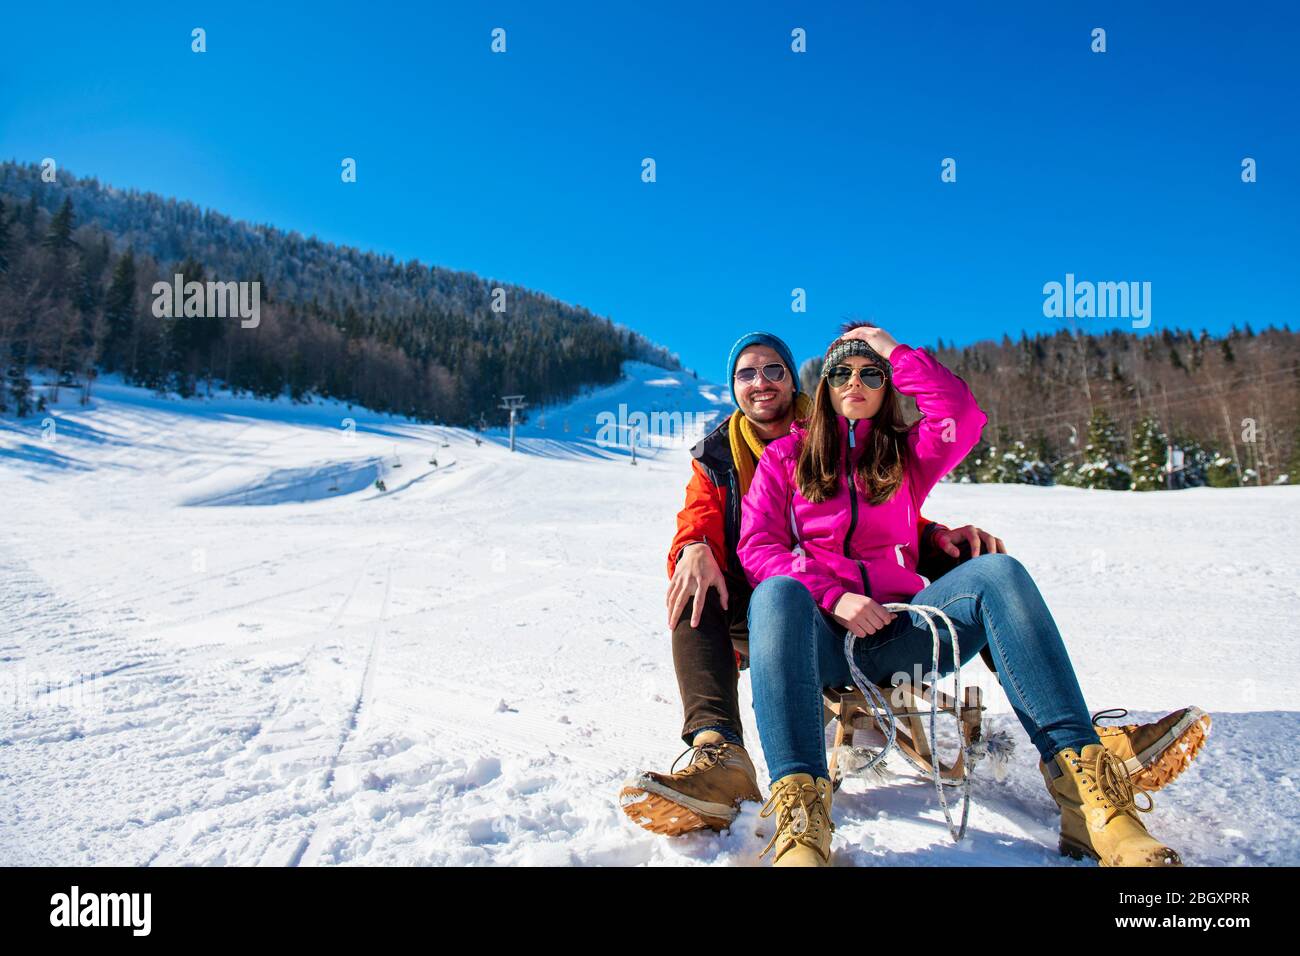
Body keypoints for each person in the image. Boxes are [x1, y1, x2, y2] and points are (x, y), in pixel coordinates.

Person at [619, 329, 1209, 843]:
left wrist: (937, 538)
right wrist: (695, 548)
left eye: (775, 368)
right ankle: (720, 756)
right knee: (697, 584)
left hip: (886, 614)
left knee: (989, 569)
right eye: (747, 374)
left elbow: (898, 493)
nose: (762, 382)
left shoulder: (878, 446)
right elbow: (740, 536)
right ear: (736, 387)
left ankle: (1080, 751)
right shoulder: (746, 457)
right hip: (777, 607)